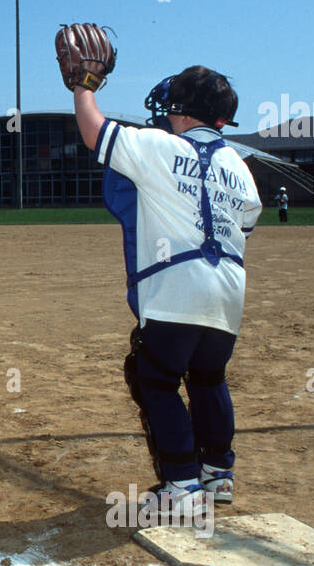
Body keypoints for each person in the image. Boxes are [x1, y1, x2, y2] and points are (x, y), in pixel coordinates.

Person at [60, 33, 262, 520]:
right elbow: (245, 227)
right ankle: (218, 475)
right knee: (209, 377)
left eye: (174, 107)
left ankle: (182, 485)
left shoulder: (159, 146)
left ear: (185, 112)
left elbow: (96, 133)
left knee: (155, 379)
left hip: (176, 288)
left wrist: (83, 87)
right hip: (228, 292)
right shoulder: (242, 166)